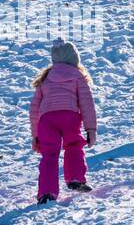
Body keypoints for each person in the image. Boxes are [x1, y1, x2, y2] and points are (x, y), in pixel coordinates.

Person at [30, 38, 97, 204]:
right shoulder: (78, 76)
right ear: (75, 59)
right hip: (69, 117)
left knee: (49, 155)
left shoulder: (45, 78)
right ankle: (75, 179)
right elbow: (87, 104)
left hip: (47, 120)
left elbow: (34, 108)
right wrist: (91, 129)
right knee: (73, 146)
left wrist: (35, 135)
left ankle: (46, 193)